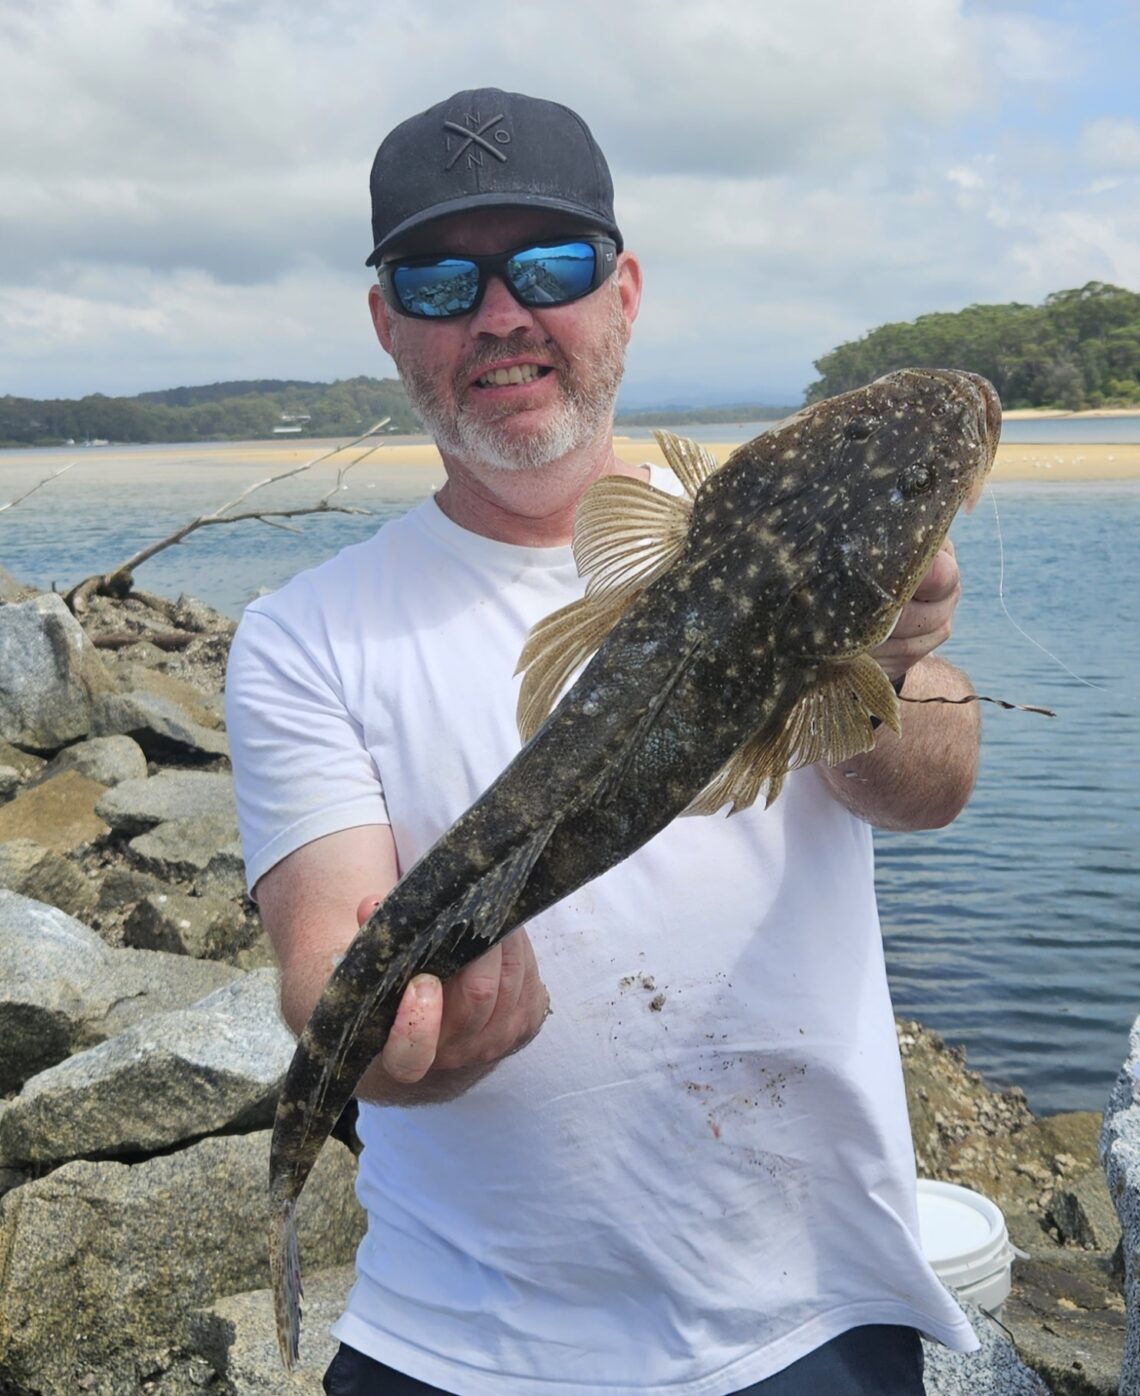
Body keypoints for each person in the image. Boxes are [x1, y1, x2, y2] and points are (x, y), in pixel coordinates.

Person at [226, 88, 983, 1395]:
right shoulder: (301, 634)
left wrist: (891, 663)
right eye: (441, 281)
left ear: (623, 292)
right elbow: (322, 959)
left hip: (811, 1315)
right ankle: (287, 1189)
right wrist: (399, 1044)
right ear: (387, 322)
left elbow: (933, 790)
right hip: (456, 1345)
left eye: (550, 267)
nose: (501, 314)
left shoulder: (762, 518)